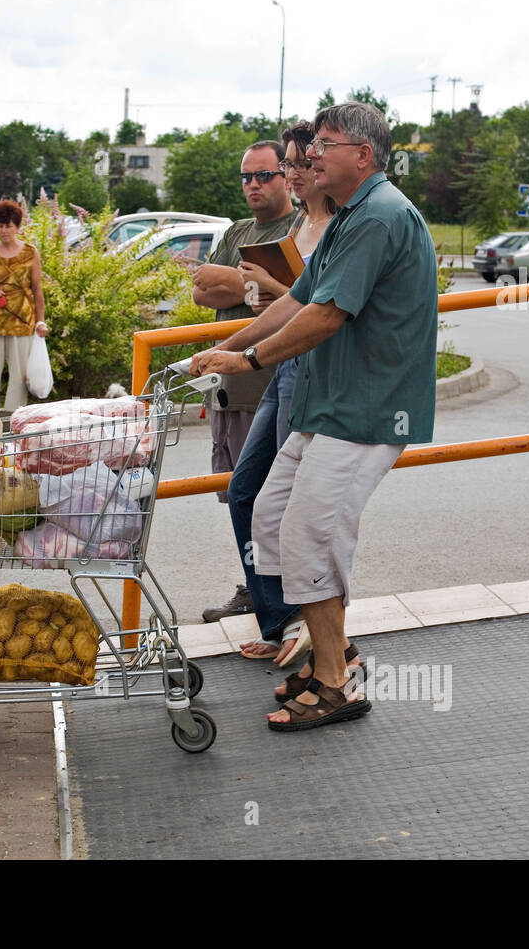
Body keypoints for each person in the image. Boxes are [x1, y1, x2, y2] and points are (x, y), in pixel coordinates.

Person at [189, 102, 438, 732]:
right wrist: (233, 346)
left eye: (325, 144)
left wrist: (247, 361)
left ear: (363, 155)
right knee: (270, 517)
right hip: (329, 406)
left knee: (310, 538)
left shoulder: (378, 216)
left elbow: (327, 317)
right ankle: (336, 652)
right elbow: (299, 299)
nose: (311, 155)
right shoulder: (350, 215)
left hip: (368, 411)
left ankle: (336, 683)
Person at [228, 120, 337, 663]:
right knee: (247, 492)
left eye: (297, 164)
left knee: (298, 508)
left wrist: (265, 306)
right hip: (284, 371)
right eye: (288, 165)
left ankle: (315, 634)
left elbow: (311, 306)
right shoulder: (301, 228)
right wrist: (231, 344)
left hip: (313, 374)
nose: (295, 174)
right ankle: (280, 620)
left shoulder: (338, 224)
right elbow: (279, 303)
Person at [193, 141, 297, 624]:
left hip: (270, 384)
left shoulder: (299, 228)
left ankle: (284, 597)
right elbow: (199, 290)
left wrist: (236, 281)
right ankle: (257, 590)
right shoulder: (237, 231)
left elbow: (295, 295)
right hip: (225, 388)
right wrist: (251, 280)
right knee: (239, 496)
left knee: (270, 499)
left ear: (286, 176)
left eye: (265, 175)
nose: (253, 185)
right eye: (246, 177)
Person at [0, 199, 47, 411]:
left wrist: (41, 321)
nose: (4, 230)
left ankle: (14, 421)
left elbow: (37, 290)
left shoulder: (30, 253)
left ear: (17, 227)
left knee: (19, 377)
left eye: (8, 226)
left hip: (22, 321)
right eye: (0, 225)